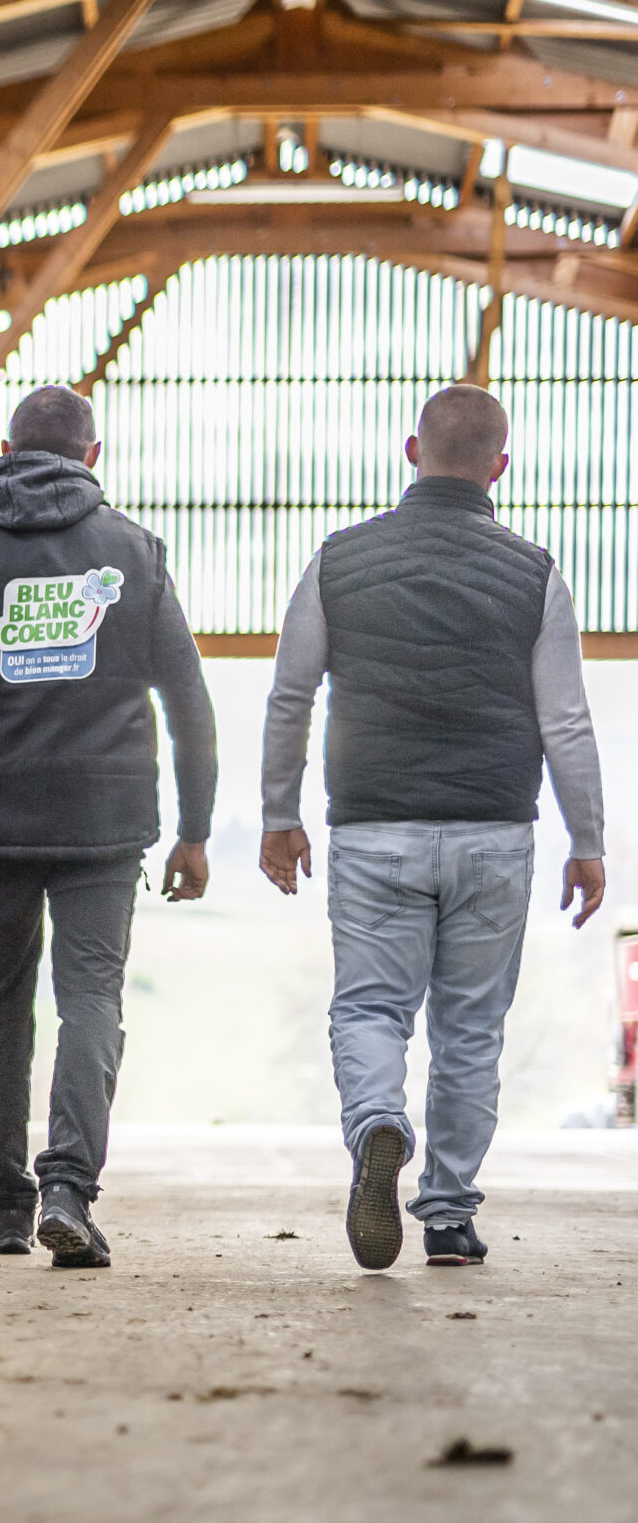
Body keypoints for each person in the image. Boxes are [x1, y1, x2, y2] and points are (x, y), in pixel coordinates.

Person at [260, 384, 607, 1272]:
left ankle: (379, 1121)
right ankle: (448, 1217)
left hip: (375, 828)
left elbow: (292, 695)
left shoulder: (339, 561)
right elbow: (565, 720)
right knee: (470, 1031)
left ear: (411, 451)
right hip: (494, 830)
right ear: (499, 467)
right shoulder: (535, 572)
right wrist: (588, 838)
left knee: (373, 1006)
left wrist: (278, 814)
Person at [0, 385, 215, 1270]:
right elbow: (188, 700)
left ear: (3, 449)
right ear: (91, 457)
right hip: (106, 822)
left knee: (0, 999)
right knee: (91, 999)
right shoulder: (134, 552)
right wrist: (195, 829)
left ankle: (5, 1209)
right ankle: (69, 1186)